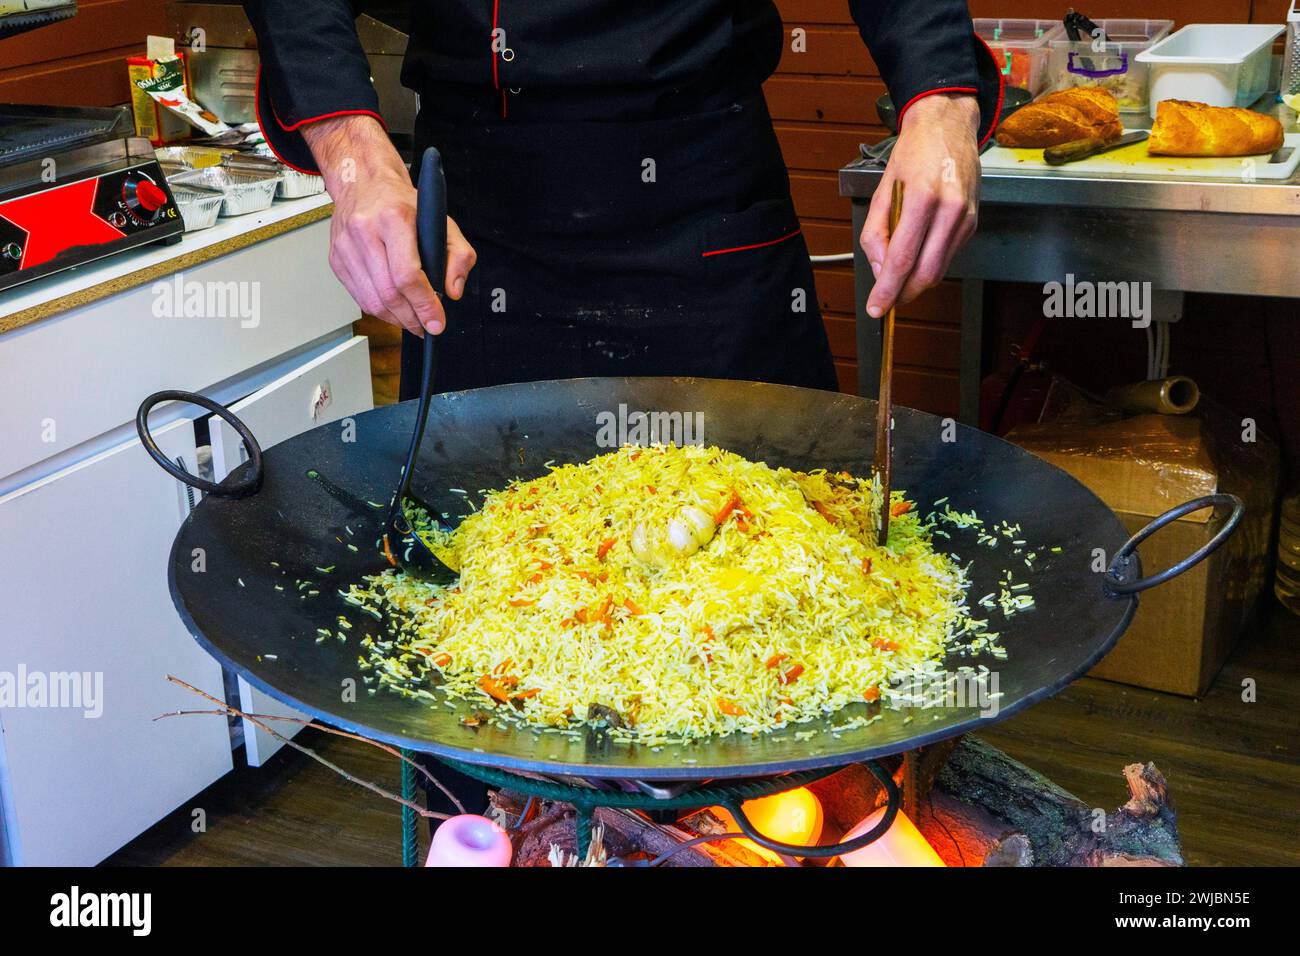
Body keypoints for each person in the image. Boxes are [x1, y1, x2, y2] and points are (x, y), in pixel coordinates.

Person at [243, 0, 1001, 817]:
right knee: (478, 742)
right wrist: (348, 144)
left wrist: (942, 99)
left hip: (709, 208)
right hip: (475, 225)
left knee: (791, 736)